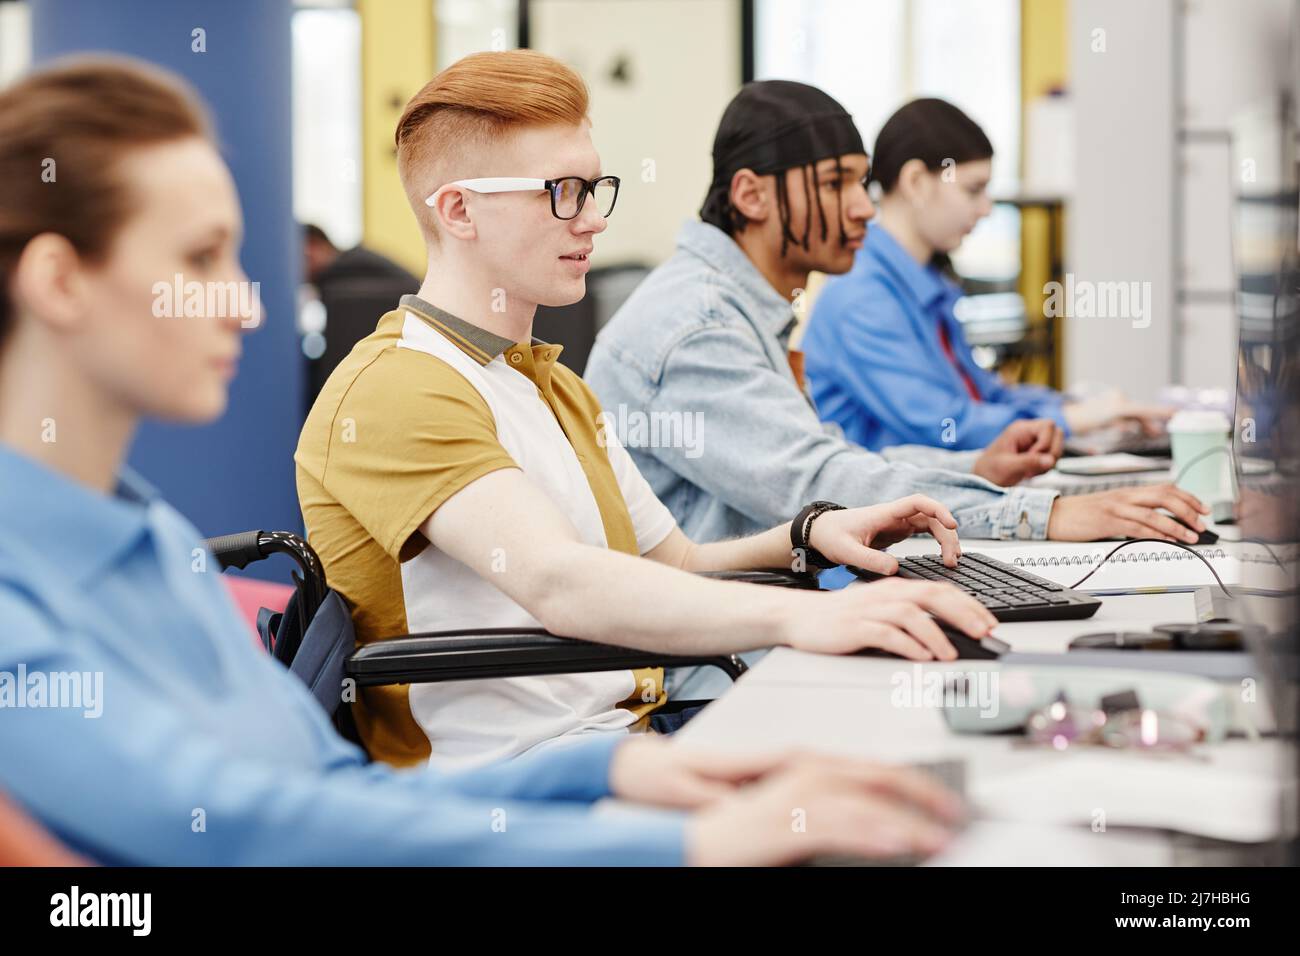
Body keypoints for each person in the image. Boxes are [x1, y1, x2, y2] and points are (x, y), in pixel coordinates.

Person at [0, 55, 963, 867]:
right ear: (57, 281)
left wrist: (621, 772)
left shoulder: (154, 540)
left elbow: (322, 789)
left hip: (567, 765)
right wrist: (682, 837)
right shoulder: (397, 388)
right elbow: (254, 827)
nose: (248, 307)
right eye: (201, 258)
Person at [295, 51, 1000, 771]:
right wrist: (813, 613)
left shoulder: (547, 381)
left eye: (596, 188)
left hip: (624, 742)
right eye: (563, 192)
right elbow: (560, 582)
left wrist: (809, 532)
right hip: (515, 781)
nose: (594, 220)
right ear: (458, 209)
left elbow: (679, 561)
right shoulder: (399, 388)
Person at [585, 81, 1206, 699]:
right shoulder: (695, 328)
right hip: (712, 680)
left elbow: (831, 456)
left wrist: (976, 467)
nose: (863, 207)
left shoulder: (740, 309)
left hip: (767, 636)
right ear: (751, 196)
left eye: (861, 183)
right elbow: (815, 483)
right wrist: (1045, 514)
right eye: (836, 184)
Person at [802, 97, 1169, 452]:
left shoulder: (924, 284)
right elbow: (944, 426)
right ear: (915, 181)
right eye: (973, 189)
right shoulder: (860, 296)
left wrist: (1086, 408)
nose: (987, 208)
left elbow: (985, 395)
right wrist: (1072, 419)